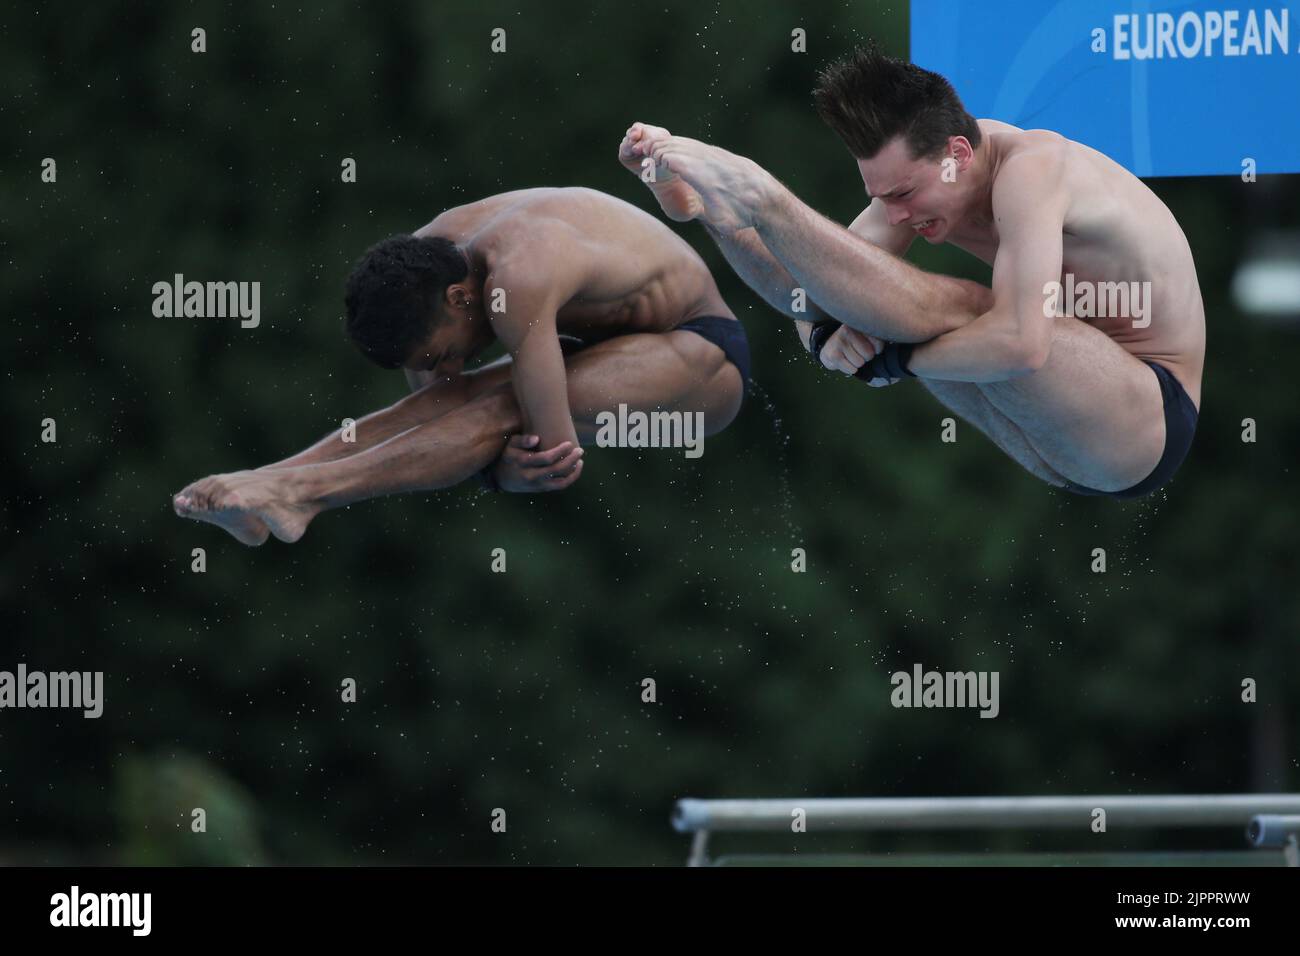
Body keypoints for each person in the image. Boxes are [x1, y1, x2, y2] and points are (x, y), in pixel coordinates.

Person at [621, 44, 1204, 497]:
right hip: (1059, 443)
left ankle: (764, 196)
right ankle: (732, 210)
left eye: (903, 193)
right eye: (881, 197)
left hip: (1145, 414)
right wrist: (826, 337)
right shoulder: (918, 181)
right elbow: (816, 294)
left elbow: (1024, 344)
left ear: (957, 156)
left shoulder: (1034, 171)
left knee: (971, 312)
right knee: (871, 299)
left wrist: (893, 360)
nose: (895, 213)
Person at [173, 187, 749, 544]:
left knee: (502, 405)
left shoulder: (521, 274)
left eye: (439, 353)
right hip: (602, 346)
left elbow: (551, 448)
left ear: (460, 299)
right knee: (443, 401)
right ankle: (268, 481)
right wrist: (491, 466)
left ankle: (304, 495)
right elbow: (435, 404)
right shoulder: (429, 254)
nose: (445, 368)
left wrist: (502, 474)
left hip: (702, 353)